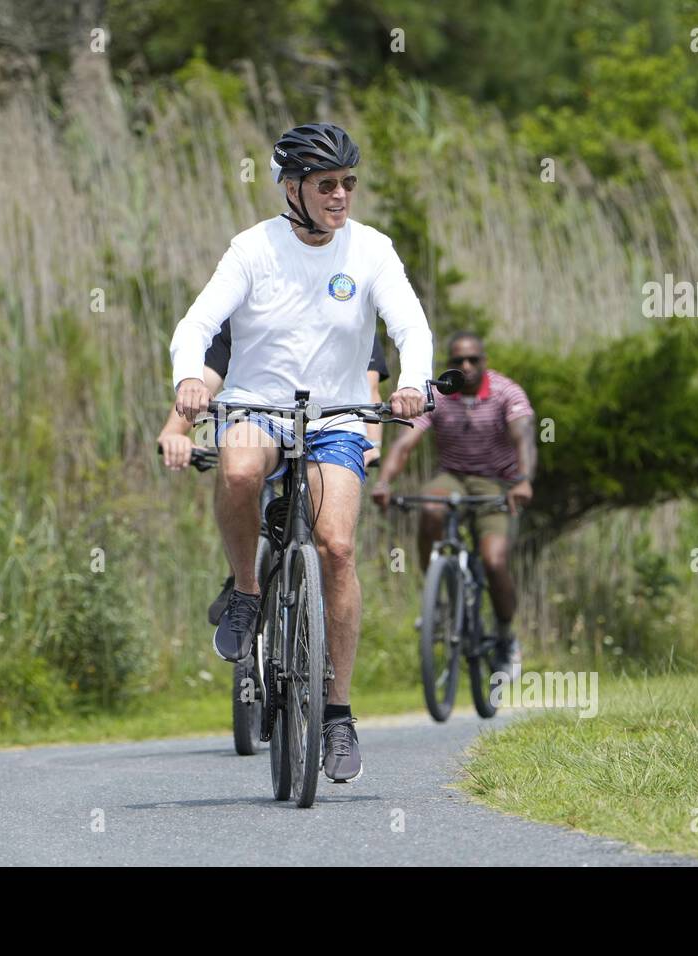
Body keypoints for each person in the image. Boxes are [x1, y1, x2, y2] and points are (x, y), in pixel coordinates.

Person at [170, 123, 434, 782]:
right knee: (235, 468)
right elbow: (198, 325)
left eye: (348, 182)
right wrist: (189, 377)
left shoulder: (370, 250)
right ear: (293, 189)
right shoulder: (251, 249)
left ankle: (338, 714)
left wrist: (409, 383)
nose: (341, 195)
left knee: (337, 546)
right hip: (257, 404)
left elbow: (410, 325)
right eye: (326, 185)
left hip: (338, 415)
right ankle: (246, 593)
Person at [156, 319, 392, 622]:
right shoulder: (252, 309)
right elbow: (206, 379)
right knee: (240, 472)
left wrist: (372, 442)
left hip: (326, 430)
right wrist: (175, 431)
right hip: (261, 425)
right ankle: (240, 579)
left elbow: (369, 386)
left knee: (332, 537)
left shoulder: (349, 311)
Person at [371, 332, 535, 680]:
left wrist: (522, 480)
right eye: (458, 361)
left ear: (484, 361)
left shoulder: (507, 392)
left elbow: (524, 438)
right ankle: (438, 597)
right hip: (453, 477)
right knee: (431, 508)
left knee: (493, 560)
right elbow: (405, 443)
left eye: (473, 360)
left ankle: (506, 636)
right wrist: (384, 482)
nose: (465, 366)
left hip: (496, 484)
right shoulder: (440, 395)